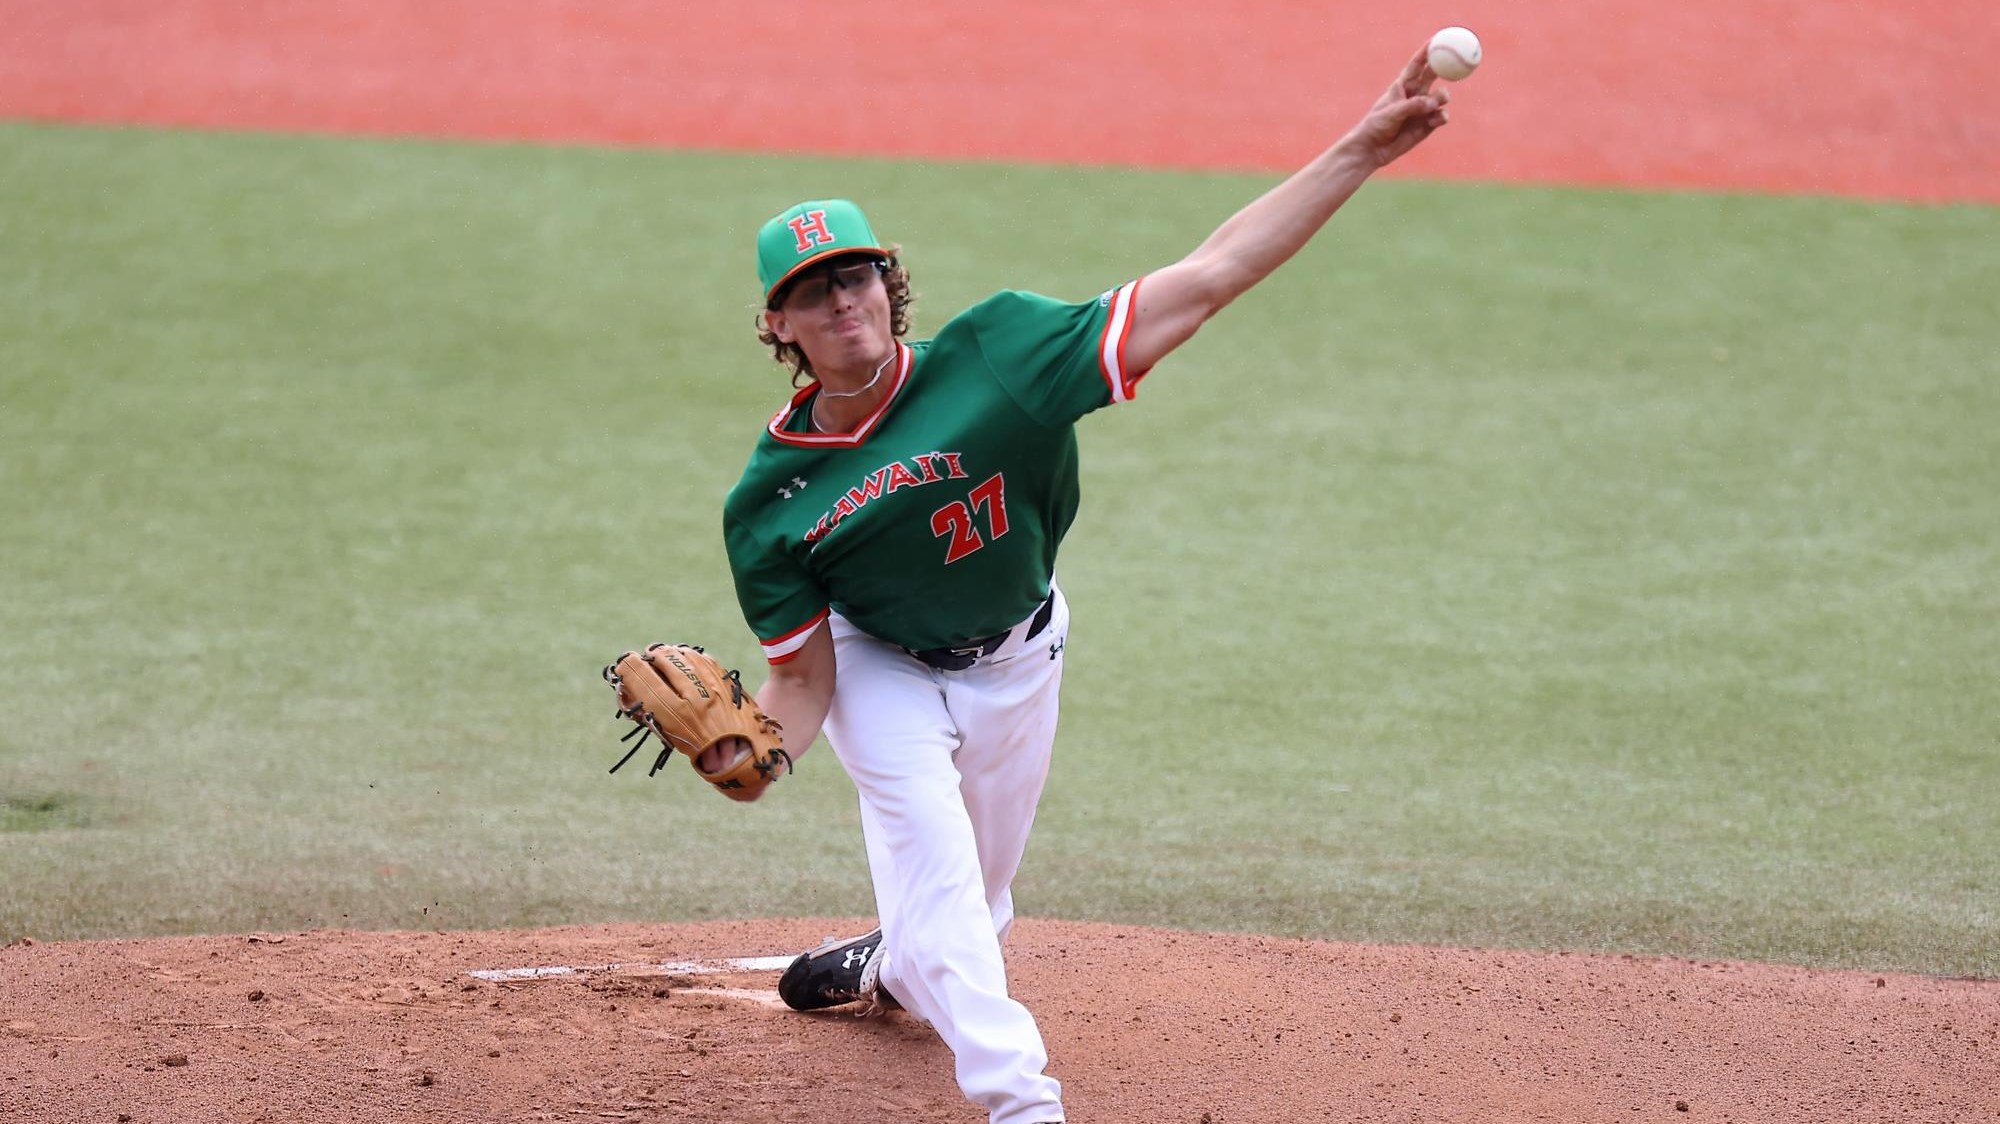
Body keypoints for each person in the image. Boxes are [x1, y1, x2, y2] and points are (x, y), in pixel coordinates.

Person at [720, 43, 1455, 1124]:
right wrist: (751, 754)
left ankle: (894, 966)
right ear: (778, 324)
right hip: (882, 669)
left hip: (1020, 654)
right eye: (810, 292)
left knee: (972, 910)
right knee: (936, 868)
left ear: (887, 283)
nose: (842, 302)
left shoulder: (1003, 354)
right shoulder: (769, 501)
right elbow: (803, 681)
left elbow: (1207, 277)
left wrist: (1360, 150)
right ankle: (1022, 1102)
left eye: (854, 276)